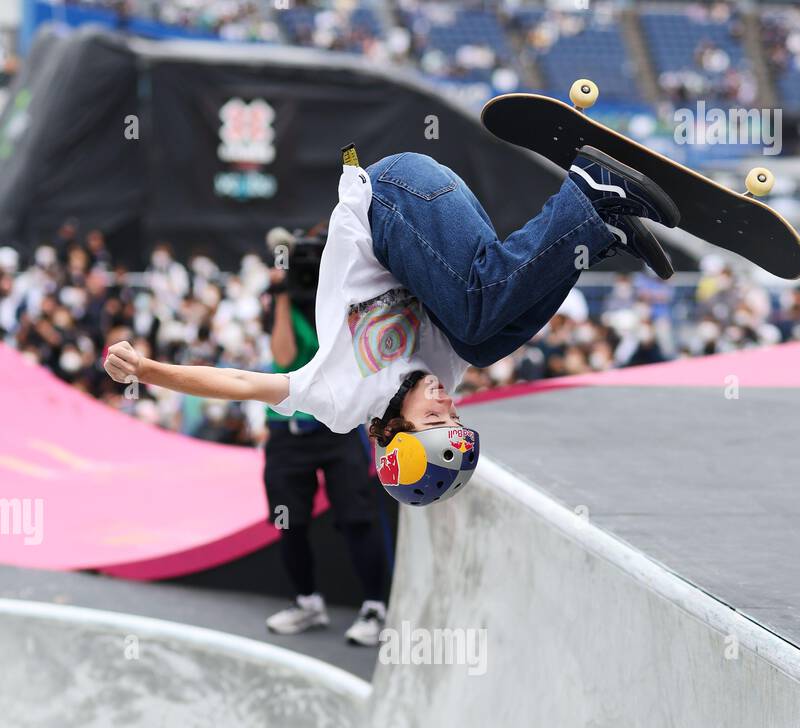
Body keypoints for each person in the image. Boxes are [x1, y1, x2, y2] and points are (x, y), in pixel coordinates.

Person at [105, 146, 677, 487]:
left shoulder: (338, 399)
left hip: (390, 196)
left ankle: (588, 196)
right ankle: (600, 232)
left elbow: (238, 382)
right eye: (452, 418)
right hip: (440, 222)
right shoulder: (446, 375)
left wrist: (148, 372)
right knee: (482, 343)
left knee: (475, 321)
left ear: (391, 431)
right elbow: (509, 302)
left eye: (434, 421)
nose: (447, 405)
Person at [261, 263, 390, 645]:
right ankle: (307, 602)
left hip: (338, 425)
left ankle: (374, 608)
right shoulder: (280, 302)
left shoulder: (344, 300)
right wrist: (282, 293)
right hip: (287, 429)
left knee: (357, 518)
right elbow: (283, 356)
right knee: (288, 522)